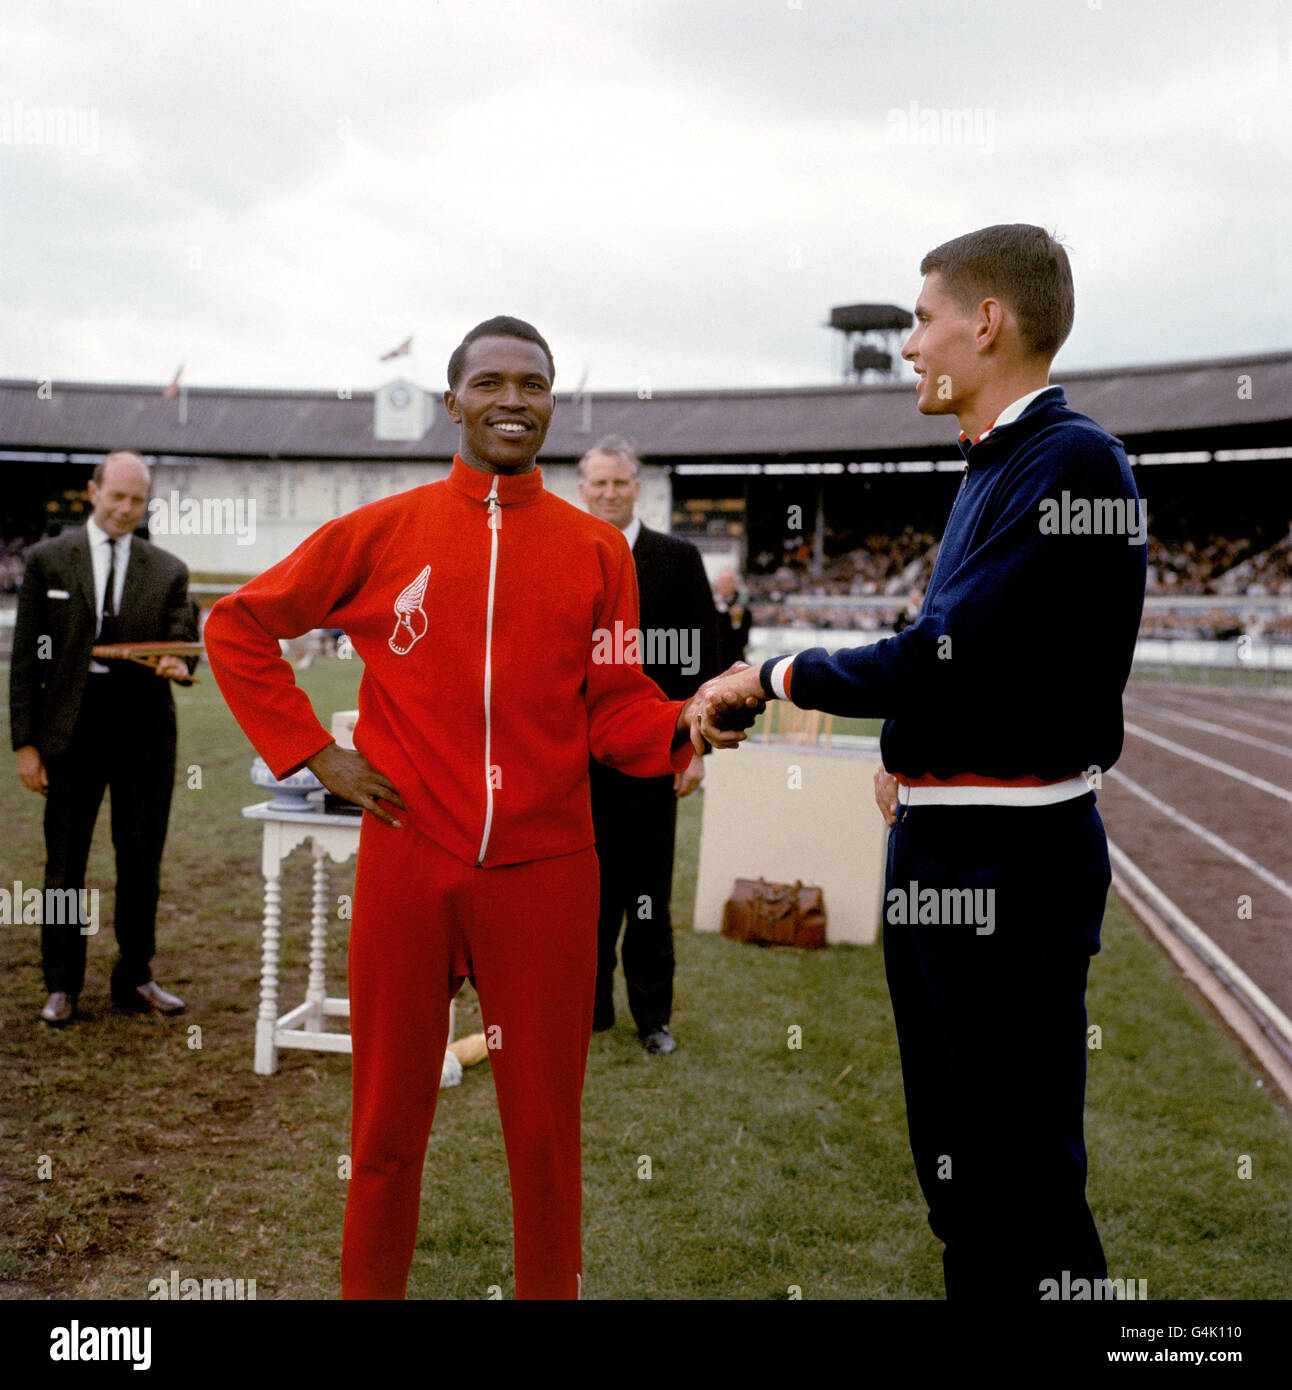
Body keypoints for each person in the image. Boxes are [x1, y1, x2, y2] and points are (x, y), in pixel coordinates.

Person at [202, 317, 701, 1301]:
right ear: (454, 401)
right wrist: (312, 752)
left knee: (545, 1139)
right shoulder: (382, 531)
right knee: (384, 1128)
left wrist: (691, 725)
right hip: (408, 855)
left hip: (548, 870)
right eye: (493, 382)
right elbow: (238, 626)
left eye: (534, 384)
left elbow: (618, 711)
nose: (513, 399)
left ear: (551, 404)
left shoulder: (600, 552)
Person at [694, 225, 1146, 1300]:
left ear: (983, 322)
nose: (905, 345)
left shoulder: (1069, 459)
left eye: (920, 318)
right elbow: (971, 664)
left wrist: (770, 674)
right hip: (948, 839)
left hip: (1006, 856)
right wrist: (912, 753)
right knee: (959, 1165)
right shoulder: (994, 465)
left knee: (1020, 1173)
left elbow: (944, 656)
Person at [10, 450, 196, 1027]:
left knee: (140, 862)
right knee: (64, 865)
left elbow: (183, 638)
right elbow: (25, 661)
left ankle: (135, 977)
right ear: (94, 492)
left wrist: (177, 661)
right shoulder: (47, 561)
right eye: (116, 496)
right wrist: (26, 743)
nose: (125, 509)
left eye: (137, 500)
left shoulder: (167, 569)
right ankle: (62, 984)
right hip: (69, 733)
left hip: (144, 732)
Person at [578, 435, 718, 1054]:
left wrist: (693, 749)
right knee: (585, 891)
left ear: (638, 487)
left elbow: (703, 664)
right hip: (574, 756)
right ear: (583, 488)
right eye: (599, 483)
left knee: (647, 892)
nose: (609, 493)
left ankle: (653, 1017)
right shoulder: (562, 550)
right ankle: (591, 1007)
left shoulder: (676, 557)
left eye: (620, 483)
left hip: (653, 749)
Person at [713, 568, 752, 668]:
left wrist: (736, 621)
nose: (725, 585)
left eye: (728, 581)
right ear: (717, 584)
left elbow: (743, 642)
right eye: (722, 581)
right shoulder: (708, 605)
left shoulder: (742, 609)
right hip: (712, 661)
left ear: (735, 585)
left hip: (733, 662)